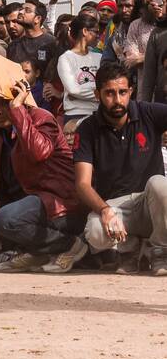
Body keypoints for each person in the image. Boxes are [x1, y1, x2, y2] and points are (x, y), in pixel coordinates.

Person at [0, 78, 86, 273]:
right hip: (28, 197)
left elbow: (39, 152)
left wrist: (17, 110)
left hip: (57, 201)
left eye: (4, 103)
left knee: (5, 219)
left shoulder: (41, 117)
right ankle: (36, 252)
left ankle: (69, 244)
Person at [72, 62, 167, 275]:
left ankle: (161, 251)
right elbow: (82, 184)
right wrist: (105, 210)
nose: (117, 100)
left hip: (151, 203)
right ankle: (129, 249)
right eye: (109, 93)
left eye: (123, 92)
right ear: (97, 94)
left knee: (160, 184)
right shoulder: (87, 129)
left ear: (131, 92)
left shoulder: (148, 113)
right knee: (95, 230)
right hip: (117, 208)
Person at [56, 14, 101, 124]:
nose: (98, 36)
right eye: (96, 32)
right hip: (75, 115)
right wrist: (101, 94)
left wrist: (101, 93)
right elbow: (73, 90)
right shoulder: (65, 58)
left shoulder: (99, 57)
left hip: (98, 113)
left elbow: (105, 85)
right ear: (85, 31)